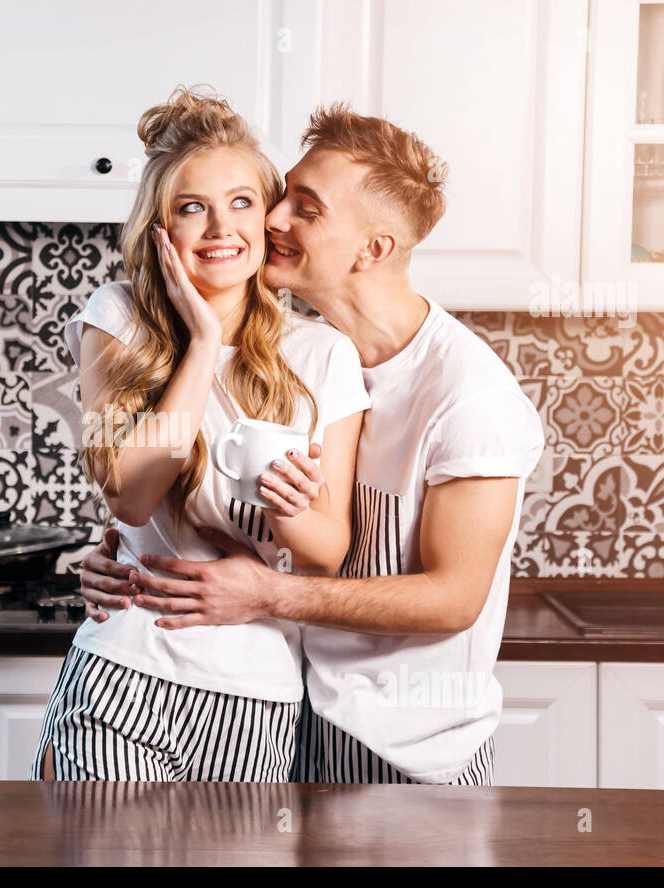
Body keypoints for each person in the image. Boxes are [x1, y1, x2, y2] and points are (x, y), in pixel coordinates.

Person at [79, 105, 546, 786]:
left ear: (373, 248)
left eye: (305, 208)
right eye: (280, 196)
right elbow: (179, 477)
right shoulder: (318, 356)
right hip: (300, 722)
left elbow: (454, 599)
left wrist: (268, 594)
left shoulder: (470, 397)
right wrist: (126, 540)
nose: (271, 220)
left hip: (412, 749)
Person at [30, 88, 369, 782]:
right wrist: (204, 341)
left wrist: (289, 505)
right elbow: (129, 497)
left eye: (242, 201)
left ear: (267, 215)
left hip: (257, 695)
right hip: (124, 672)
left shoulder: (323, 355)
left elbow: (329, 549)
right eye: (192, 207)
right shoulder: (119, 317)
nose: (221, 227)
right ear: (161, 228)